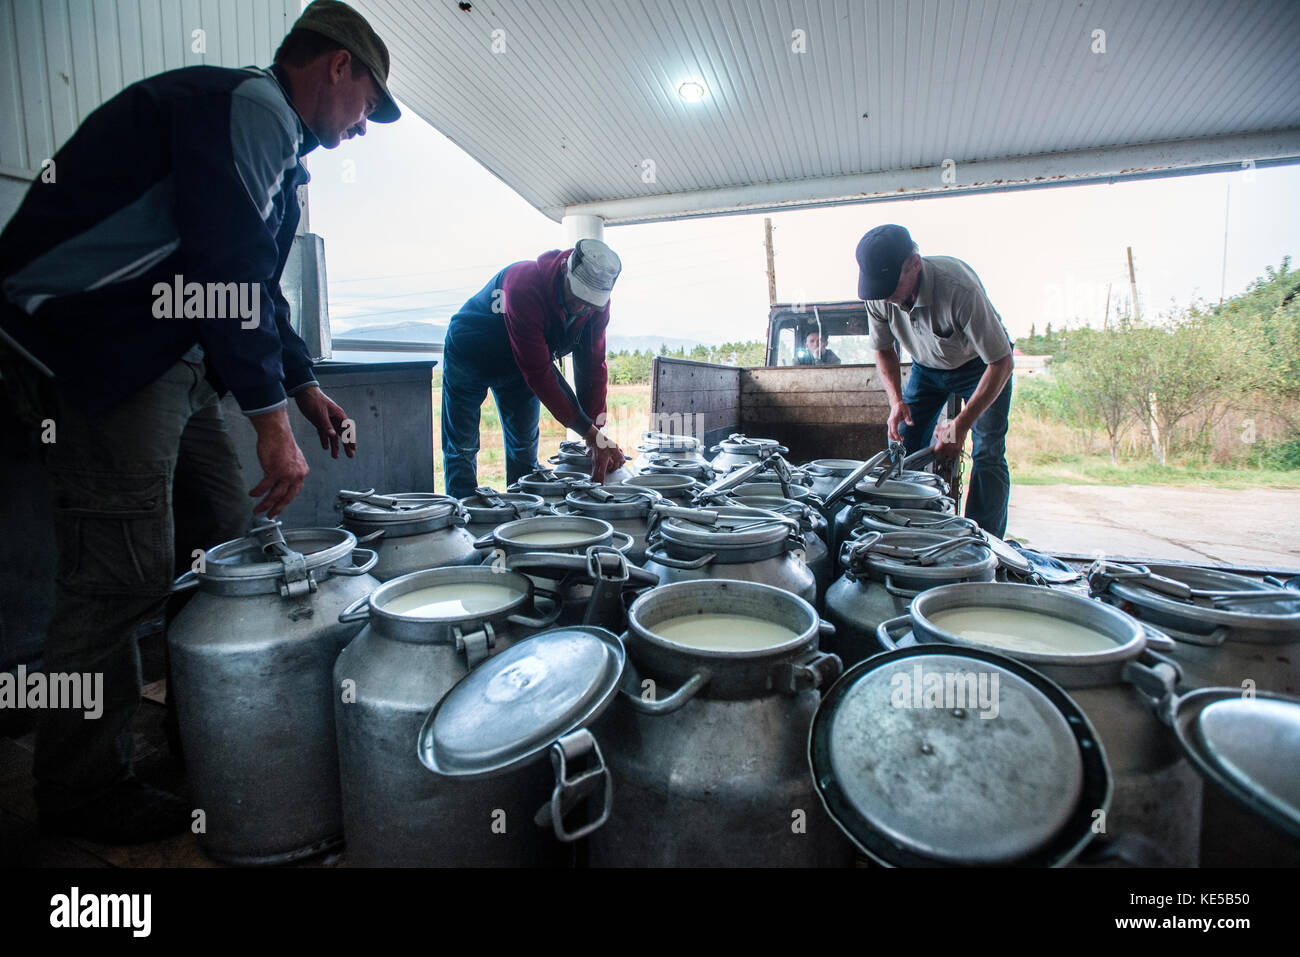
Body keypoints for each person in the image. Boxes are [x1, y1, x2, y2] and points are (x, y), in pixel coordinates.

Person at [0, 0, 400, 844]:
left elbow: (255, 284)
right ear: (336, 67)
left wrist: (302, 387)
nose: (364, 126)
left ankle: (211, 727)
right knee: (119, 573)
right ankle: (79, 789)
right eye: (369, 101)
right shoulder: (251, 106)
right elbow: (223, 263)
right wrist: (270, 422)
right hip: (93, 350)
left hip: (168, 358)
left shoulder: (281, 155)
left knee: (227, 537)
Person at [856, 224, 1014, 537]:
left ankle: (983, 540)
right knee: (901, 442)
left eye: (889, 284)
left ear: (914, 263)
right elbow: (884, 349)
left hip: (981, 365)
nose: (884, 296)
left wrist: (962, 424)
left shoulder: (958, 289)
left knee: (988, 452)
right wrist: (895, 401)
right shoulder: (879, 295)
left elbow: (1002, 362)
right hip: (926, 368)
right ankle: (902, 529)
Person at [440, 240, 627, 499]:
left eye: (590, 304)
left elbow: (593, 366)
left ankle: (523, 515)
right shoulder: (523, 284)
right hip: (470, 354)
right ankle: (461, 519)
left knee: (523, 447)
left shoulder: (596, 308)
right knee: (462, 446)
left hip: (518, 366)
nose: (581, 309)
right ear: (565, 270)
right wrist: (589, 433)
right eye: (578, 298)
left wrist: (596, 431)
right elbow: (539, 372)